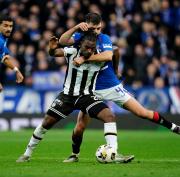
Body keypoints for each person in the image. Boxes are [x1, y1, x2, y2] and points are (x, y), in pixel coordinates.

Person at [59, 12, 180, 163]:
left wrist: (89, 60)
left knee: (142, 112)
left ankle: (174, 127)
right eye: (94, 29)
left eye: (99, 28)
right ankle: (74, 154)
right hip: (90, 90)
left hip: (111, 85)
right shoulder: (79, 38)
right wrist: (76, 27)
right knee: (80, 126)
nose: (97, 31)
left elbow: (110, 54)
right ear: (86, 26)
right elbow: (62, 42)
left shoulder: (104, 38)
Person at [16, 30, 133, 163]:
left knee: (109, 116)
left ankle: (113, 153)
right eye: (86, 47)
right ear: (80, 44)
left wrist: (116, 71)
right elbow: (54, 53)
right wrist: (51, 47)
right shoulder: (72, 52)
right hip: (67, 96)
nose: (89, 50)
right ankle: (27, 154)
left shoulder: (99, 57)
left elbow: (115, 51)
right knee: (46, 124)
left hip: (87, 97)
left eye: (92, 48)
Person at [0, 15, 24, 90]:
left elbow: (5, 59)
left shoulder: (3, 38)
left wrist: (16, 70)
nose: (9, 29)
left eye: (11, 26)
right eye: (5, 26)